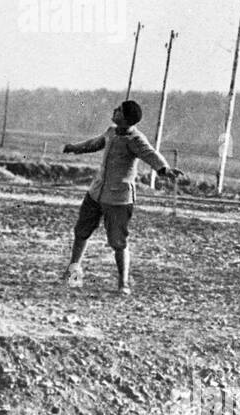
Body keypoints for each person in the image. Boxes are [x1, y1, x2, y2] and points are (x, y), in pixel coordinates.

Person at [62, 99, 181, 296]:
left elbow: (150, 154)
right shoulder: (110, 132)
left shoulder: (135, 140)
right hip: (96, 193)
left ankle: (123, 283)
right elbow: (94, 143)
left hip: (119, 199)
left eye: (118, 110)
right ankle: (73, 273)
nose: (114, 111)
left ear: (125, 118)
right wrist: (75, 147)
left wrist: (164, 169)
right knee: (81, 232)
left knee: (118, 242)